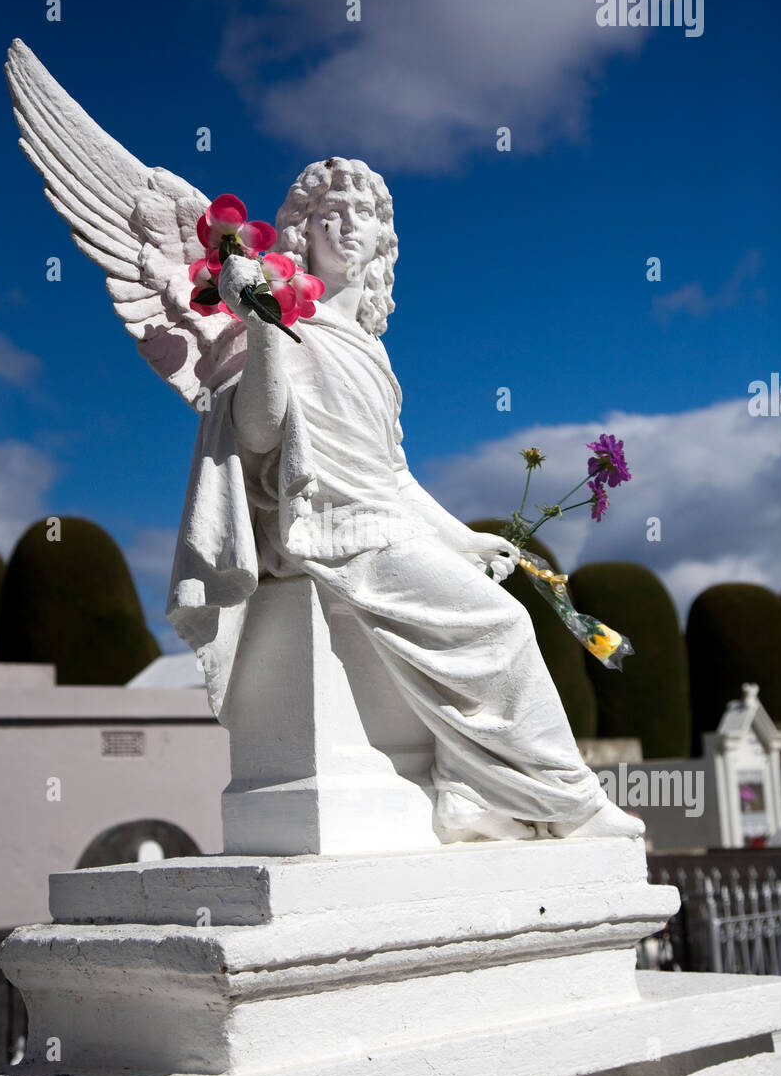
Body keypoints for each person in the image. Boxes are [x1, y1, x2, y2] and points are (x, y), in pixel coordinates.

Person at [214, 157, 643, 842]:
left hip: (383, 521)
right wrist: (262, 324)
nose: (347, 226)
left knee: (483, 617)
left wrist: (462, 538)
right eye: (330, 215)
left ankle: (475, 798)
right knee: (501, 626)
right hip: (336, 532)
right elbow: (258, 430)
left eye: (364, 216)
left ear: (384, 240)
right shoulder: (292, 324)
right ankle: (567, 802)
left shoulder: (373, 354)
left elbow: (392, 474)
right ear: (302, 233)